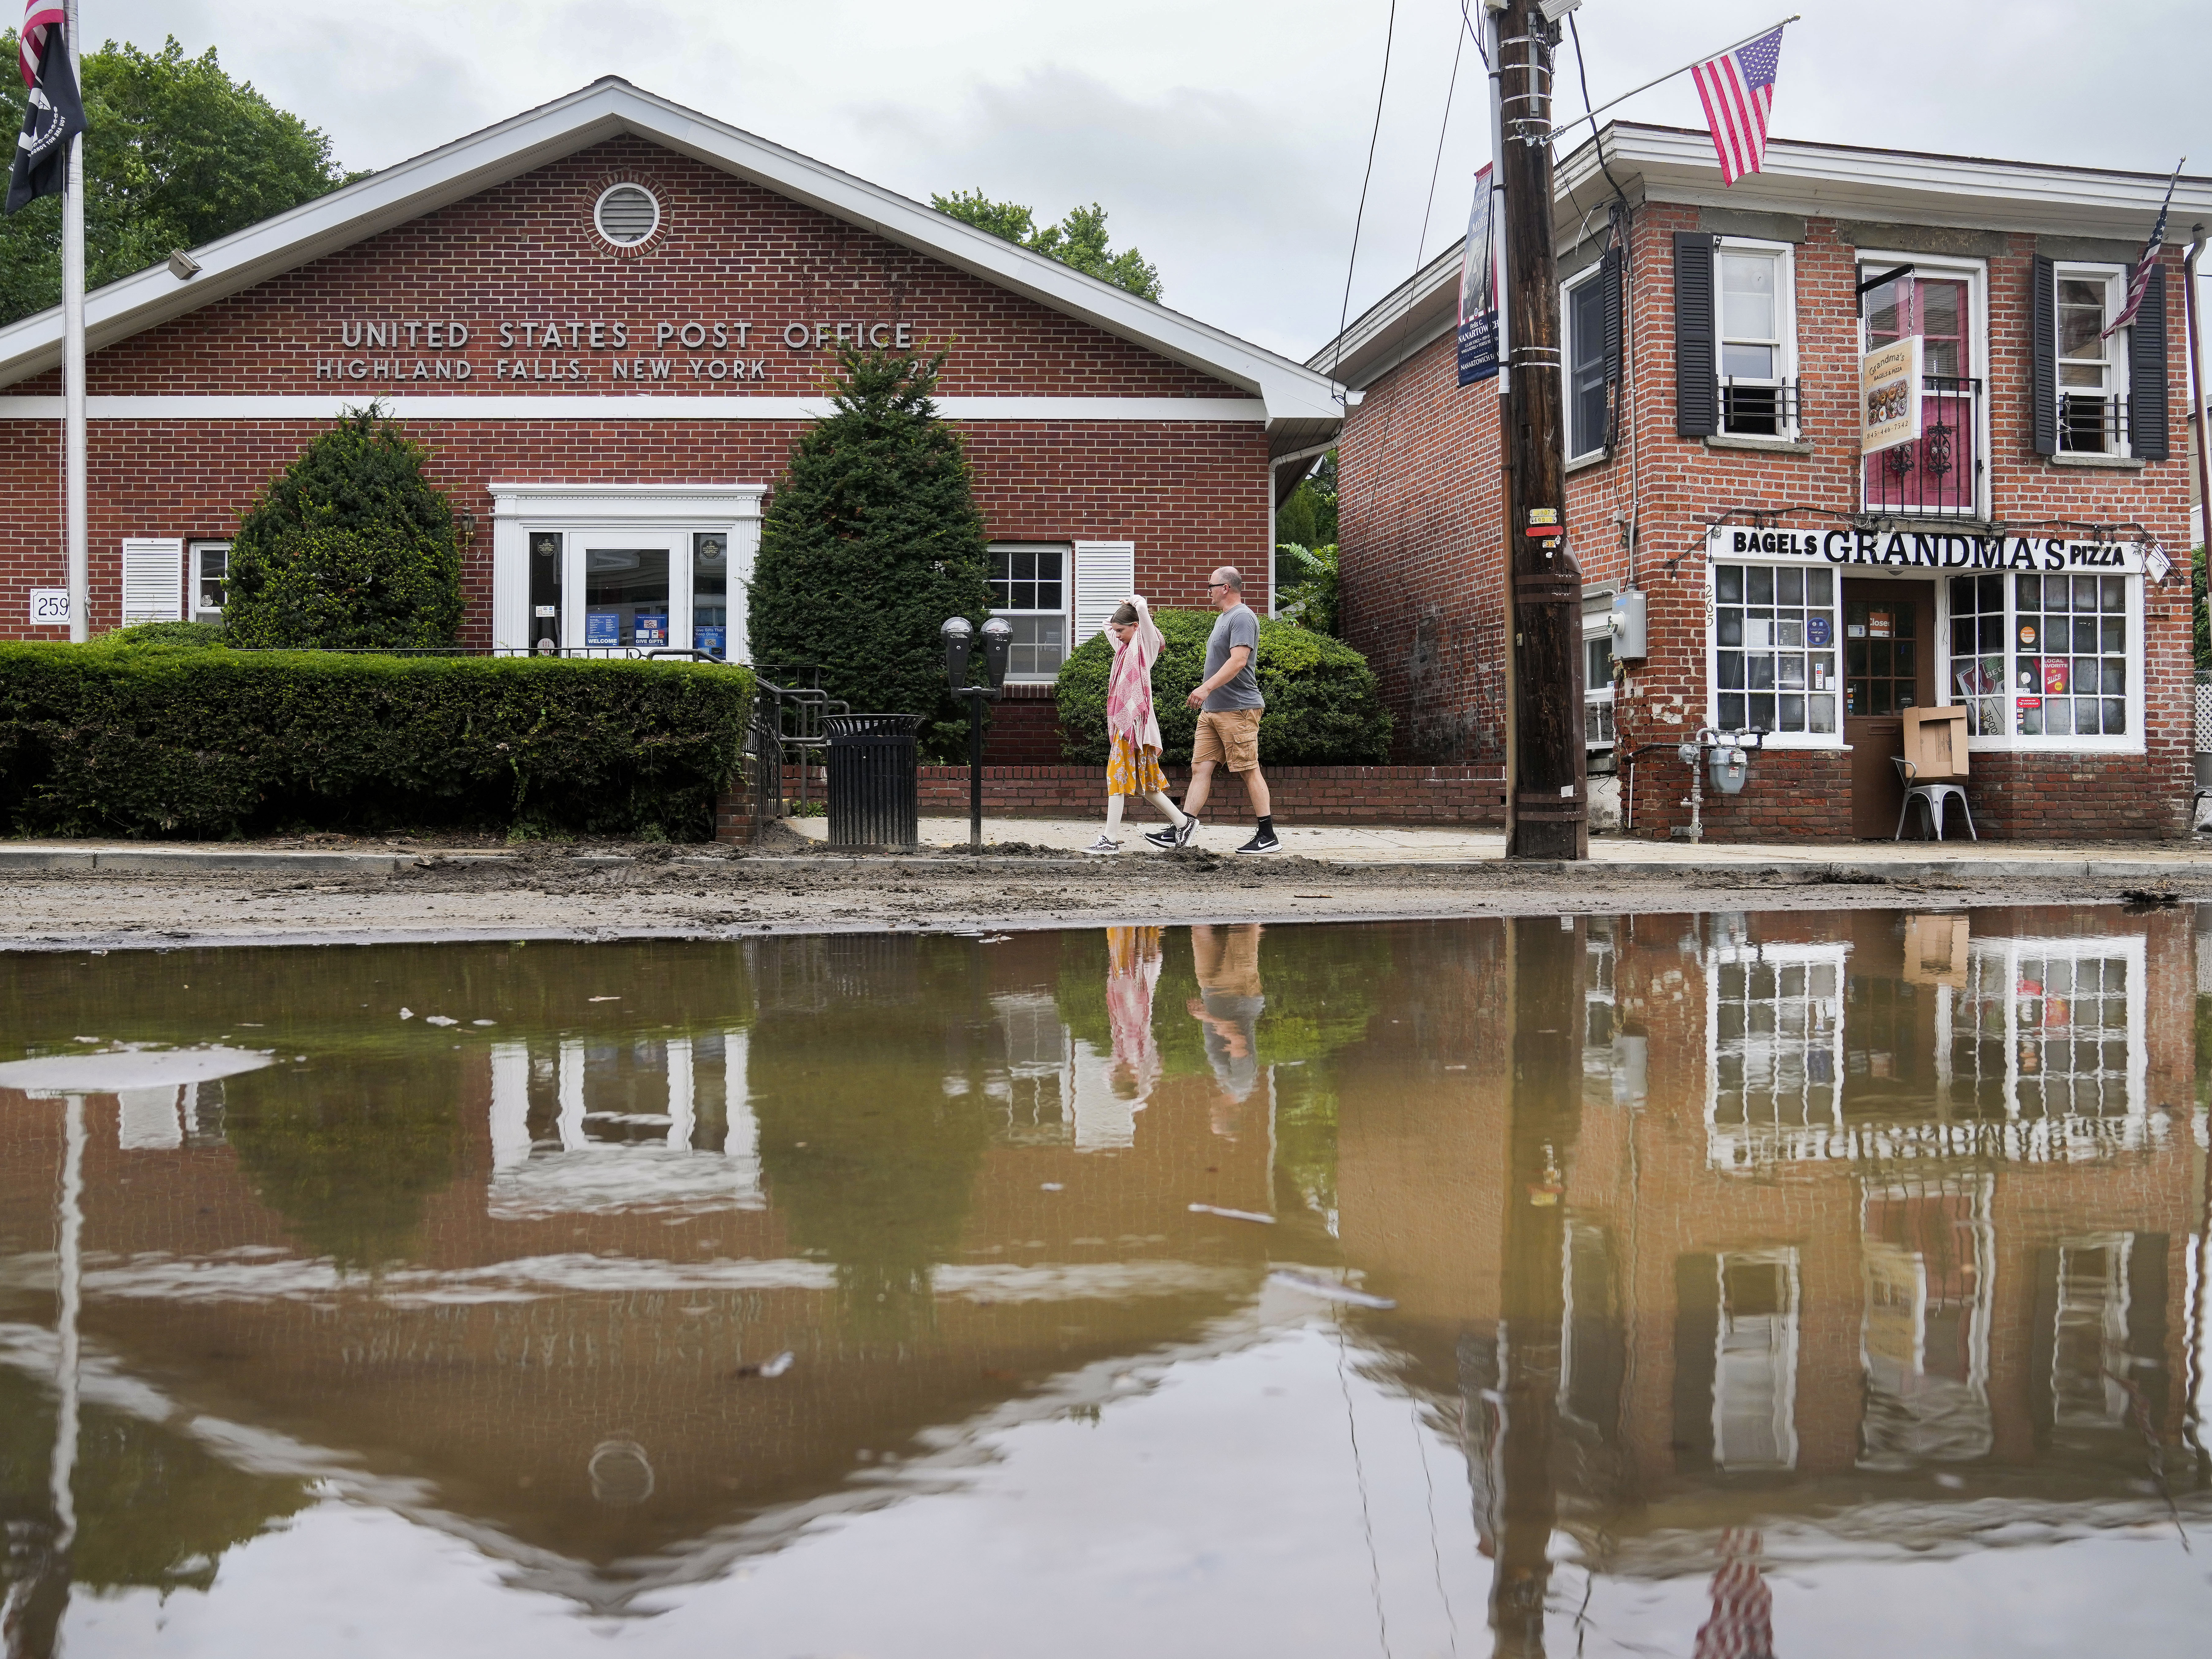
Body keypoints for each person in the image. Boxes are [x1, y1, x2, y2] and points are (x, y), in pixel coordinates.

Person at [1146, 565, 1278, 855]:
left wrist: (1205, 688)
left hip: (1238, 709)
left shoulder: (1242, 616)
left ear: (1225, 588)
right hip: (1214, 710)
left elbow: (1238, 661)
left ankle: (1268, 835)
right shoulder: (1223, 618)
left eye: (1210, 586)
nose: (1208, 591)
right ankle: (1183, 827)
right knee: (1200, 768)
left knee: (1248, 769)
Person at [1085, 595, 1192, 856]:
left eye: (1122, 630)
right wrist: (1124, 611)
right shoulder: (1123, 649)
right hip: (1127, 725)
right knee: (1143, 785)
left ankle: (1109, 839)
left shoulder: (1146, 649)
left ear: (1136, 626)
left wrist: (1139, 605)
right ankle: (1183, 823)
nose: (1117, 635)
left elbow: (1145, 625)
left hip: (1132, 725)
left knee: (1116, 777)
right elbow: (1106, 625)